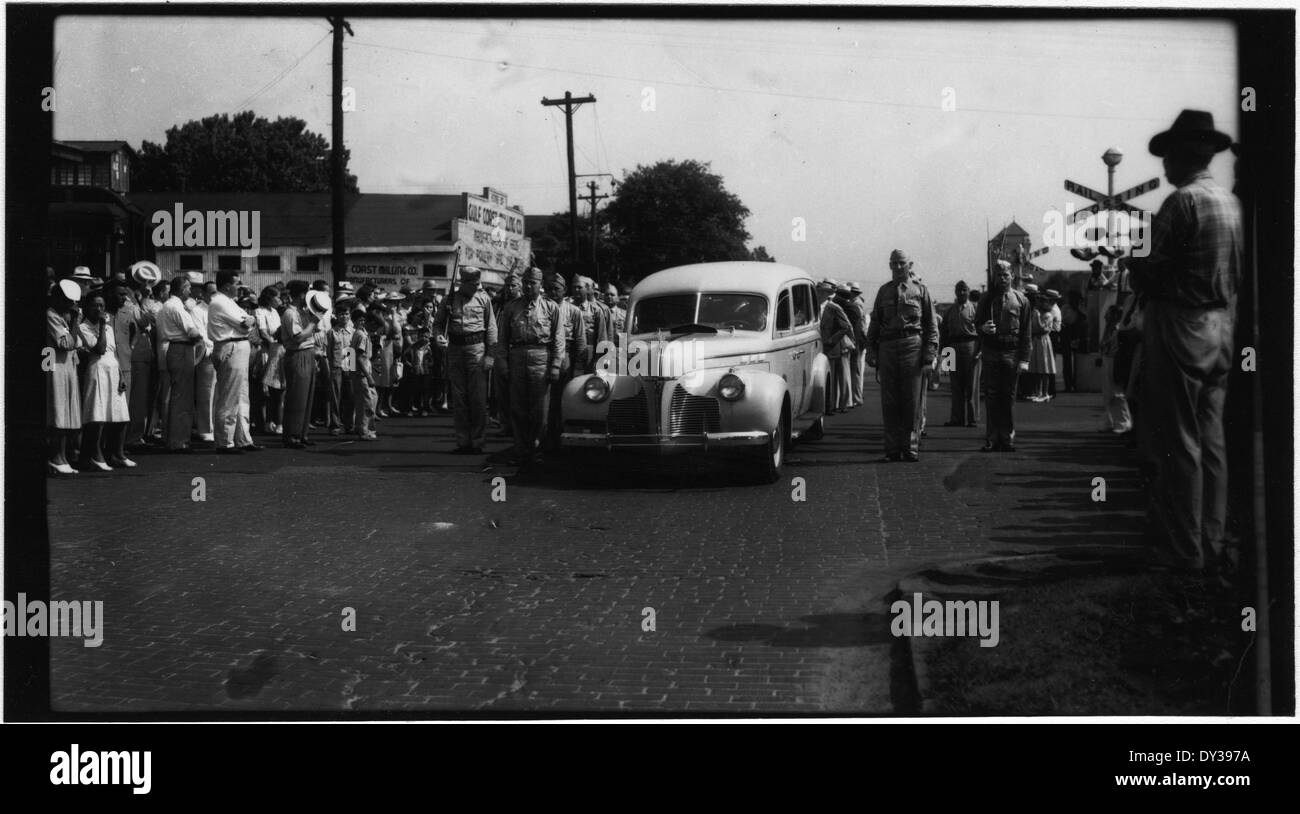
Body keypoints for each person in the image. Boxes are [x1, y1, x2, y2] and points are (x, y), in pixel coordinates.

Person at [1123, 109, 1241, 573]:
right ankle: (1213, 541)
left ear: (1179, 156)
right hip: (1222, 324)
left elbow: (1153, 270)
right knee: (1212, 438)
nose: (1163, 167)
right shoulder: (1230, 203)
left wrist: (1135, 263)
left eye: (1167, 156)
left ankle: (1183, 548)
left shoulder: (1181, 202)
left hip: (1182, 324)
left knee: (1179, 439)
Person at [865, 251, 939, 462]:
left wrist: (928, 358)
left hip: (912, 347)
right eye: (894, 264)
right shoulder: (883, 292)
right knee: (889, 402)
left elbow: (931, 326)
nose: (897, 267)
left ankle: (910, 447)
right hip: (888, 348)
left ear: (910, 265)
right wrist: (871, 351)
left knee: (912, 401)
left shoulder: (920, 291)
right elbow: (875, 324)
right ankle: (892, 449)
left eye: (901, 263)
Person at [500, 268, 564, 467]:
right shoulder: (511, 308)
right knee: (517, 407)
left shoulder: (550, 308)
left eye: (532, 283)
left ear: (540, 284)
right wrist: (502, 363)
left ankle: (537, 449)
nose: (528, 286)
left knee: (539, 410)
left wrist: (555, 365)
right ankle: (520, 449)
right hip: (517, 357)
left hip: (541, 357)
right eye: (525, 282)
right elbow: (502, 340)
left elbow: (559, 340)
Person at [433, 266, 498, 454]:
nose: (477, 287)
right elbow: (438, 325)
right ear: (464, 283)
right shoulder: (448, 300)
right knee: (459, 398)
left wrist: (490, 356)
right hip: (455, 349)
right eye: (473, 284)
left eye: (478, 283)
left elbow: (492, 329)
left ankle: (478, 441)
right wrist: (438, 337)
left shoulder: (484, 299)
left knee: (477, 398)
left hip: (477, 349)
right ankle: (463, 441)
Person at [975, 260, 1033, 452]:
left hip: (1012, 351)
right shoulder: (985, 299)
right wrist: (983, 328)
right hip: (991, 350)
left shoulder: (1021, 300)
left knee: (1008, 397)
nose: (1002, 278)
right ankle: (992, 438)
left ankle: (1007, 438)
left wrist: (1024, 359)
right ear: (994, 277)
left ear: (1012, 276)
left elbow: (1026, 332)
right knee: (991, 396)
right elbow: (976, 325)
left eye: (1005, 275)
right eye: (998, 275)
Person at [208, 270, 260, 454]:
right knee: (229, 396)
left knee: (242, 395)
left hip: (239, 345)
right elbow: (245, 324)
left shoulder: (229, 302)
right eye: (236, 284)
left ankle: (242, 438)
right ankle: (224, 441)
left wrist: (250, 320)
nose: (239, 288)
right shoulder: (220, 302)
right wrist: (250, 321)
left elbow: (250, 321)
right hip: (229, 346)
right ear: (227, 285)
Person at [156, 275, 204, 452]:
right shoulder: (176, 307)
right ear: (181, 289)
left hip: (176, 349)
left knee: (177, 395)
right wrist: (201, 338)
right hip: (181, 349)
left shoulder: (168, 306)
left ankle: (174, 438)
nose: (190, 291)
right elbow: (192, 332)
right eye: (188, 287)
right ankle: (178, 441)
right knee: (182, 397)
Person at [47, 280, 85, 474]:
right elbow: (66, 343)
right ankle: (56, 457)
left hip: (67, 366)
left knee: (67, 411)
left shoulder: (63, 317)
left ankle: (62, 455)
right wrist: (74, 323)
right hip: (55, 367)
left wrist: (73, 324)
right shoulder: (51, 316)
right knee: (58, 412)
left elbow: (77, 342)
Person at [280, 280, 322, 449]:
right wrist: (313, 323)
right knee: (297, 395)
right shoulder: (290, 314)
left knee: (307, 396)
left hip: (308, 352)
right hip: (297, 353)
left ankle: (302, 433)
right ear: (301, 295)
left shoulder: (302, 311)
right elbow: (297, 337)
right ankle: (292, 435)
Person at [546, 272, 586, 450]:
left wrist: (578, 367)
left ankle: (561, 437)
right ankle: (545, 437)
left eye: (557, 289)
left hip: (566, 359)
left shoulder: (573, 311)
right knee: (545, 401)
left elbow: (580, 341)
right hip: (544, 355)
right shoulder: (542, 307)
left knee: (563, 399)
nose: (552, 292)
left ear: (564, 290)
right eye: (549, 288)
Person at [941, 280, 979, 427]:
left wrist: (979, 351)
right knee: (955, 385)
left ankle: (972, 418)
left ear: (968, 291)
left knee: (971, 384)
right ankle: (956, 418)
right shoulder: (949, 311)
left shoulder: (974, 309)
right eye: (958, 290)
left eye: (964, 290)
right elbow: (943, 333)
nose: (961, 292)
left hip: (970, 346)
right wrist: (944, 358)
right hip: (953, 347)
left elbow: (981, 332)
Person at [816, 279, 852, 416]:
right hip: (818, 347)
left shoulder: (833, 308)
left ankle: (829, 406)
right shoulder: (813, 308)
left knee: (830, 378)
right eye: (819, 292)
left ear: (828, 294)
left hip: (831, 348)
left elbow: (845, 327)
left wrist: (832, 340)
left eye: (823, 292)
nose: (820, 294)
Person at [253, 286, 284, 435]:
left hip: (277, 350)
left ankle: (273, 420)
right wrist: (273, 344)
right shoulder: (260, 311)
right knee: (264, 389)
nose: (280, 300)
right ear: (269, 298)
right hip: (266, 351)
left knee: (276, 388)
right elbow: (263, 332)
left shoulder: (276, 312)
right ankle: (264, 422)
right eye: (277, 297)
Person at [1097, 304, 1132, 434]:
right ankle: (1110, 421)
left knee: (1116, 393)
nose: (1105, 316)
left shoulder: (1117, 330)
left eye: (1108, 313)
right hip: (1107, 360)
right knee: (1107, 393)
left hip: (1114, 361)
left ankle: (1123, 422)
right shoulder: (1108, 329)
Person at [191, 279, 218, 445]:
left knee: (219, 393)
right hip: (208, 355)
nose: (215, 296)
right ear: (203, 293)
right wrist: (214, 348)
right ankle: (205, 428)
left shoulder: (218, 308)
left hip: (222, 354)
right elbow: (201, 334)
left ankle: (215, 426)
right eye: (212, 292)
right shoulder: (197, 310)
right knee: (206, 393)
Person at [350, 308, 379, 441]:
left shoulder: (357, 334)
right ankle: (365, 430)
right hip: (362, 374)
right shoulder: (361, 336)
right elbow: (360, 358)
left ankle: (359, 427)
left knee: (361, 402)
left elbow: (353, 354)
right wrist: (369, 376)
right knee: (368, 403)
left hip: (357, 373)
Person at [835, 284, 866, 409]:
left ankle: (854, 398)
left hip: (852, 341)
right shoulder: (855, 305)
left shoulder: (850, 306)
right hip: (857, 340)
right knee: (855, 371)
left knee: (852, 371)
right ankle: (855, 397)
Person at [1028, 290, 1059, 402]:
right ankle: (1038, 392)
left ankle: (1045, 393)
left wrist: (1036, 317)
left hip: (1043, 341)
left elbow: (1043, 328)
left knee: (1044, 368)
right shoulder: (1038, 314)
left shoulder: (1047, 315)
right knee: (1037, 367)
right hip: (1036, 340)